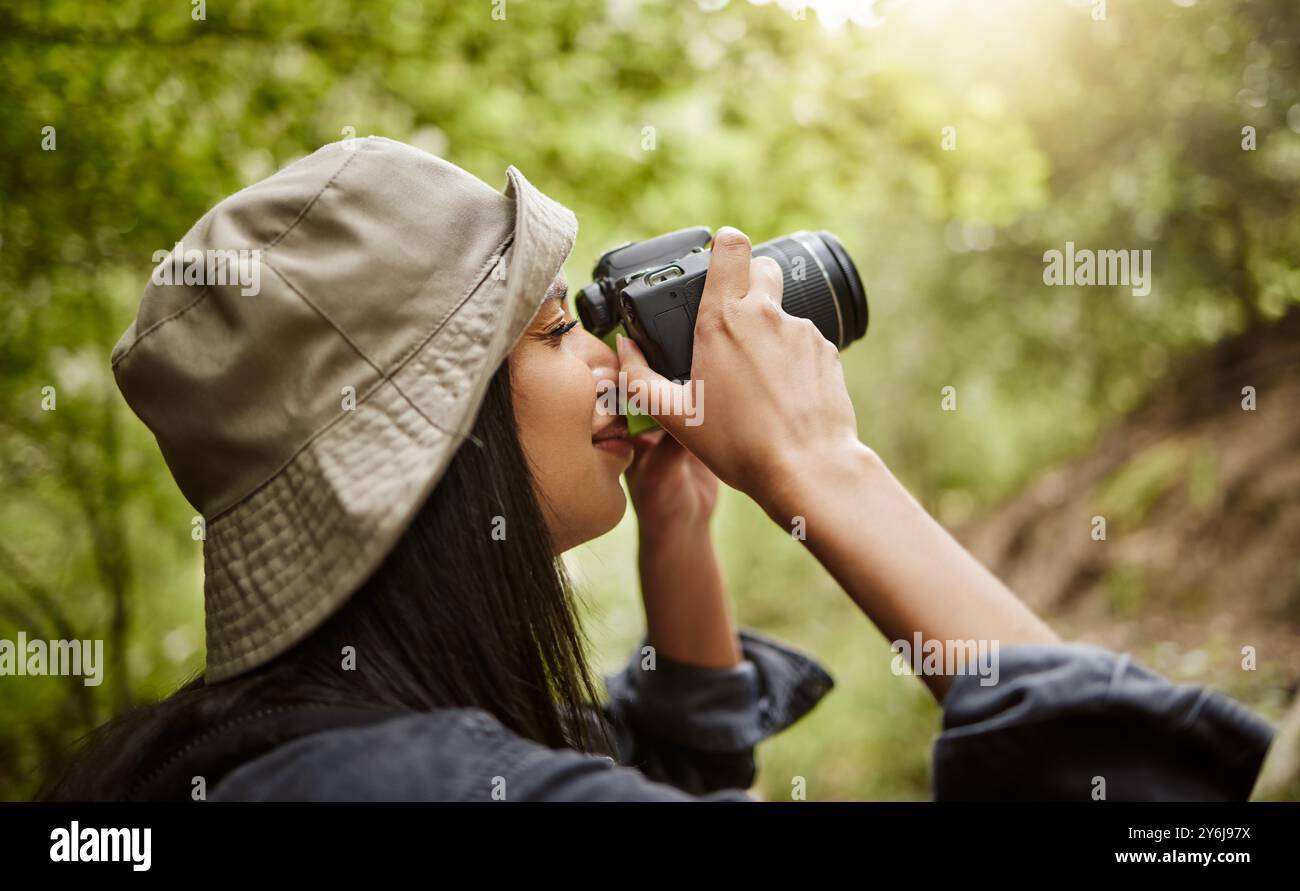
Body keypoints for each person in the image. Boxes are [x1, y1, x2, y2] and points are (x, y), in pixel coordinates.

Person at [46, 137, 1274, 802]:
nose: (602, 352)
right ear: (436, 444)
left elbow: (674, 769)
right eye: (551, 330)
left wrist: (677, 522)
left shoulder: (278, 749)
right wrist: (825, 469)